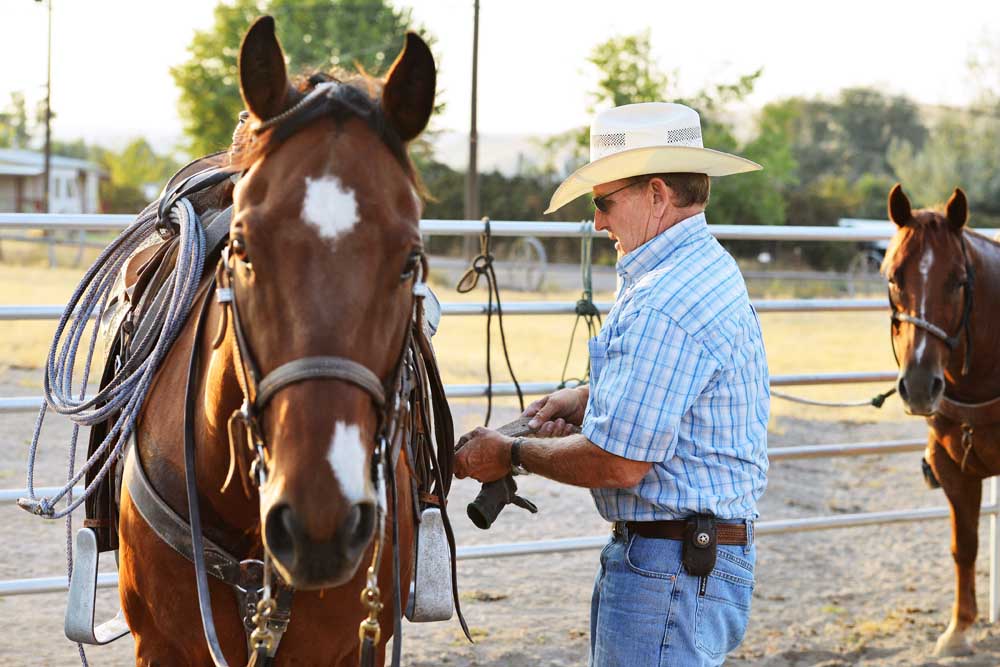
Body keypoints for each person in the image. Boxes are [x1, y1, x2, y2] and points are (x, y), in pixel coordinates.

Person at [454, 102, 770, 666]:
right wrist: (589, 397)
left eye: (603, 202)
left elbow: (620, 463)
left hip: (669, 567)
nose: (598, 222)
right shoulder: (697, 269)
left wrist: (511, 452)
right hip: (685, 559)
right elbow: (673, 394)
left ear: (656, 193)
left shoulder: (664, 298)